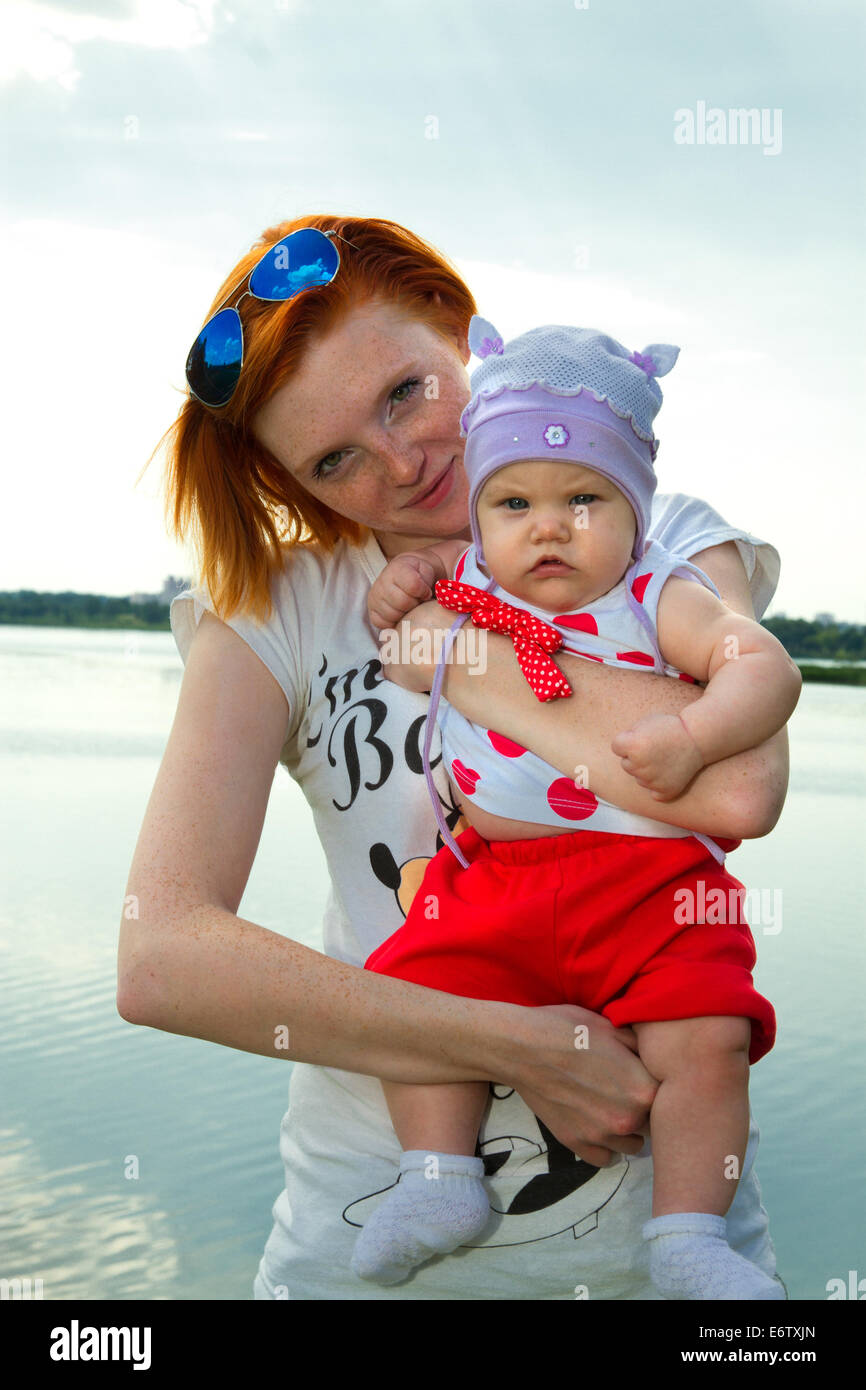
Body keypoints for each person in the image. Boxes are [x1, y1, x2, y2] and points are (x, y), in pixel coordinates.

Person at [117, 214, 790, 1300]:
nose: (402, 461)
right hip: (358, 1260)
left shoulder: (645, 529)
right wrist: (521, 1045)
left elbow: (739, 784)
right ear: (298, 488)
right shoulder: (274, 613)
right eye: (334, 458)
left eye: (405, 393)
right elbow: (163, 960)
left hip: (656, 1267)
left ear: (456, 325)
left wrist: (453, 653)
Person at [355, 320, 800, 1298]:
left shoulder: (657, 588)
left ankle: (687, 1236)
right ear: (480, 514)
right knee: (413, 1000)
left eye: (583, 499)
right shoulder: (464, 580)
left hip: (654, 884)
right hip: (494, 879)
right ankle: (437, 1179)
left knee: (707, 1036)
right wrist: (401, 583)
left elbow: (759, 665)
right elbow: (398, 608)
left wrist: (693, 734)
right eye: (511, 502)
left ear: (633, 509)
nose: (546, 527)